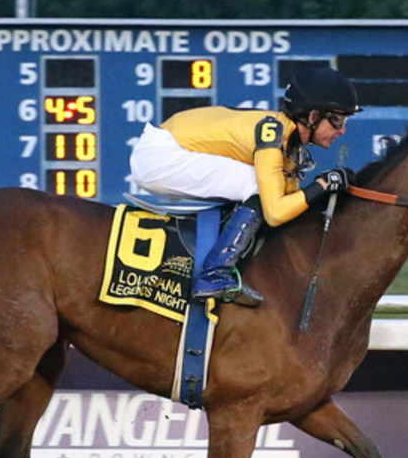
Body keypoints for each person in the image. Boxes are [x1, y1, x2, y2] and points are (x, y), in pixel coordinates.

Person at [129, 66, 360, 307]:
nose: (342, 130)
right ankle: (214, 274)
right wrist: (322, 185)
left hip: (165, 149)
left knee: (270, 188)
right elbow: (275, 212)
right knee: (257, 186)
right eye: (337, 120)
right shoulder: (274, 133)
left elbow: (292, 202)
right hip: (160, 156)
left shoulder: (287, 139)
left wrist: (322, 190)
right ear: (312, 117)